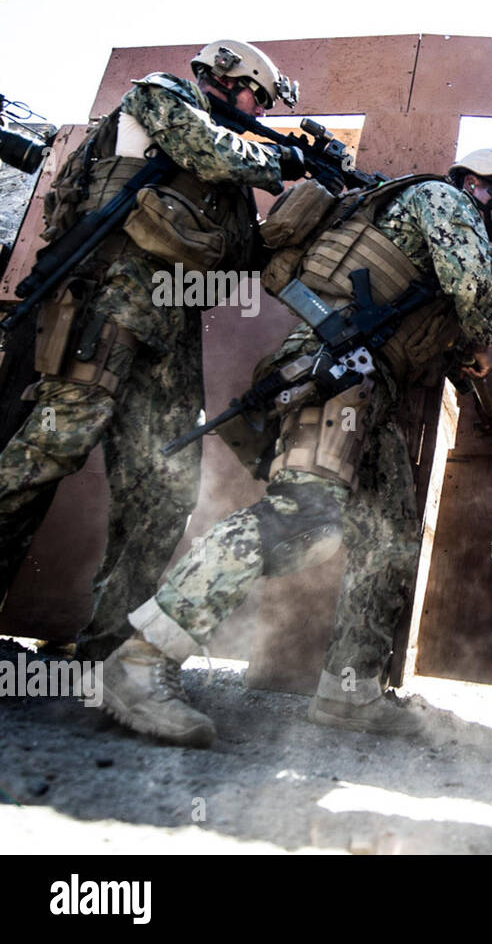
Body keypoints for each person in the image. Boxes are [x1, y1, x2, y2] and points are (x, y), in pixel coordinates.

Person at [98, 149, 492, 746]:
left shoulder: (435, 229)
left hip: (369, 393)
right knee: (301, 516)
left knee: (389, 539)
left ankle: (350, 689)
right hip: (332, 373)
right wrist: (481, 334)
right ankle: (140, 659)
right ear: (474, 182)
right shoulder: (445, 200)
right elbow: (472, 289)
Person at [0, 40, 303, 660]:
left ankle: (107, 649)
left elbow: (240, 259)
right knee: (40, 458)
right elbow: (213, 151)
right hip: (103, 310)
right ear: (225, 76)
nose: (261, 113)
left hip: (167, 337)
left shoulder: (226, 180)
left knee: (164, 491)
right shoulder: (161, 96)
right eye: (258, 97)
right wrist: (284, 160)